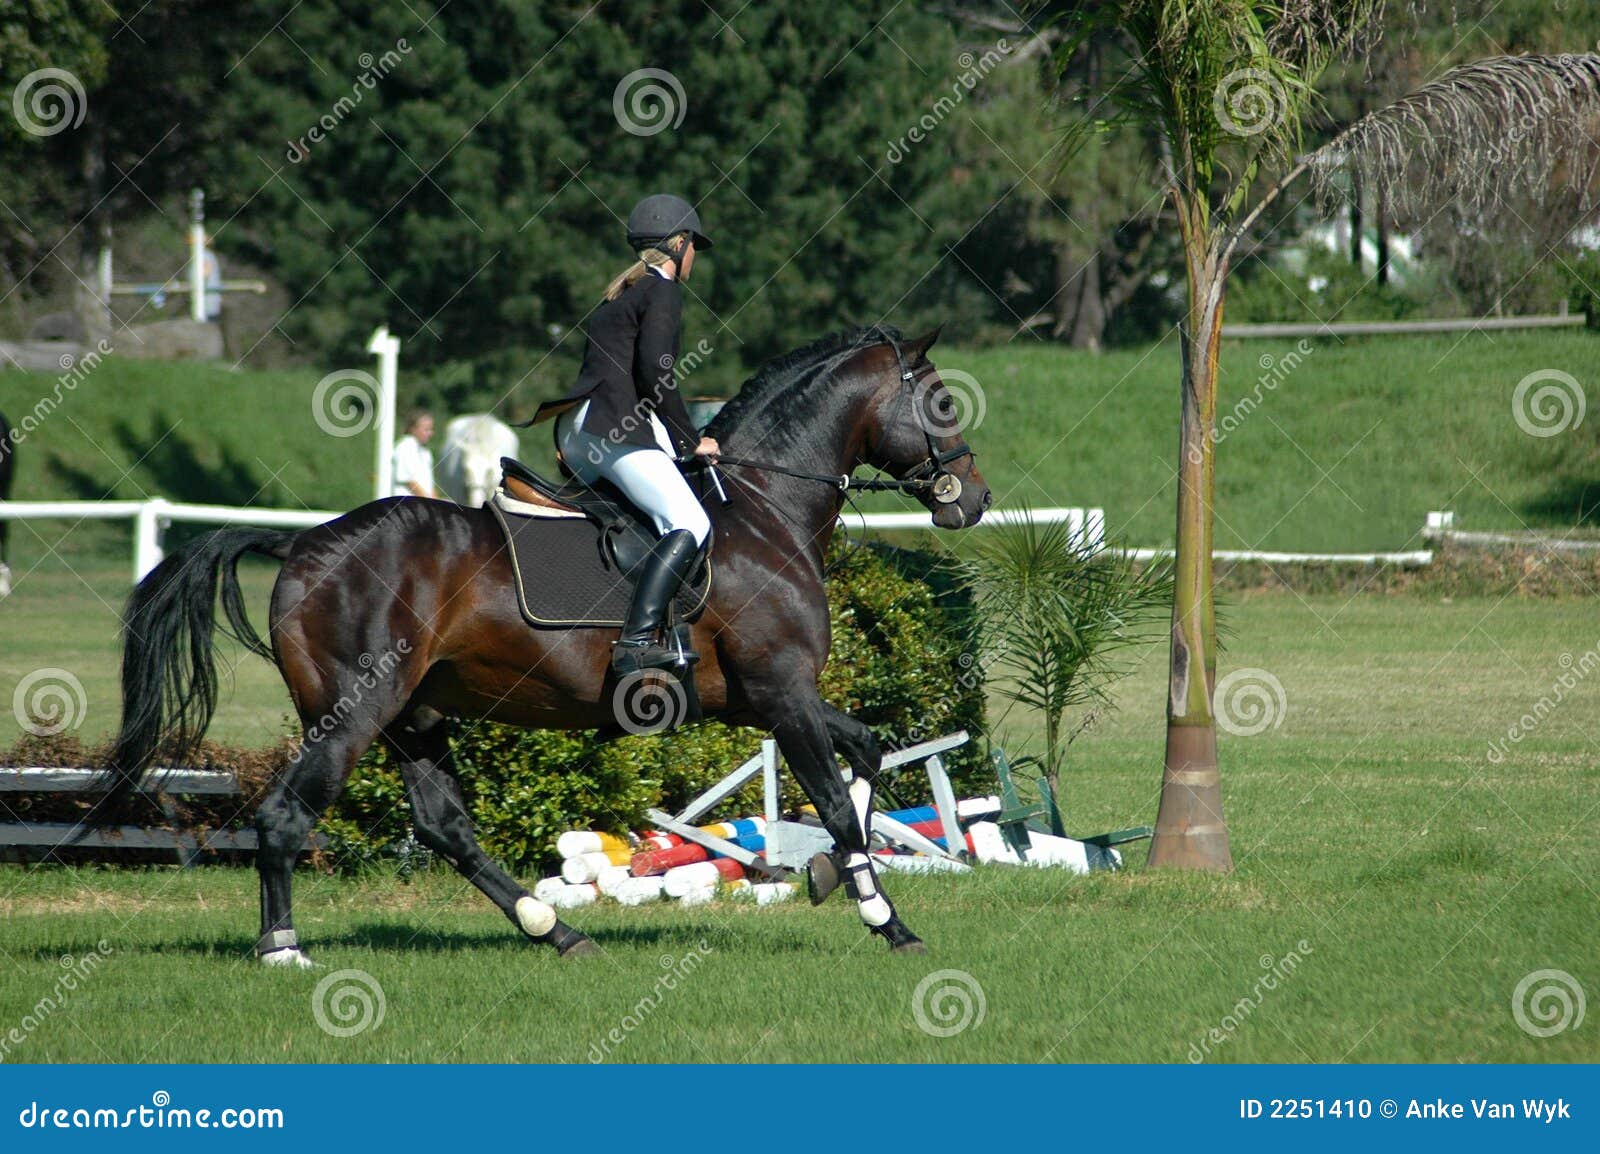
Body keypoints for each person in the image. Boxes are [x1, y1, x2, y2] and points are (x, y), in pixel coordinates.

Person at [531, 193, 717, 675]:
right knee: (690, 523)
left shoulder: (623, 291)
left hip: (577, 430)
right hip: (613, 428)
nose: (694, 257)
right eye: (693, 246)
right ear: (678, 244)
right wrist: (690, 440)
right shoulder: (662, 292)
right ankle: (634, 643)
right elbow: (657, 372)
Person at [392, 410, 437, 499]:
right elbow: (410, 481)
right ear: (413, 429)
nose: (430, 433)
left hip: (423, 503)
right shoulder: (405, 446)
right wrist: (431, 503)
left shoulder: (425, 452)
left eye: (431, 429)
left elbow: (429, 485)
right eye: (426, 429)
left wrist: (437, 503)